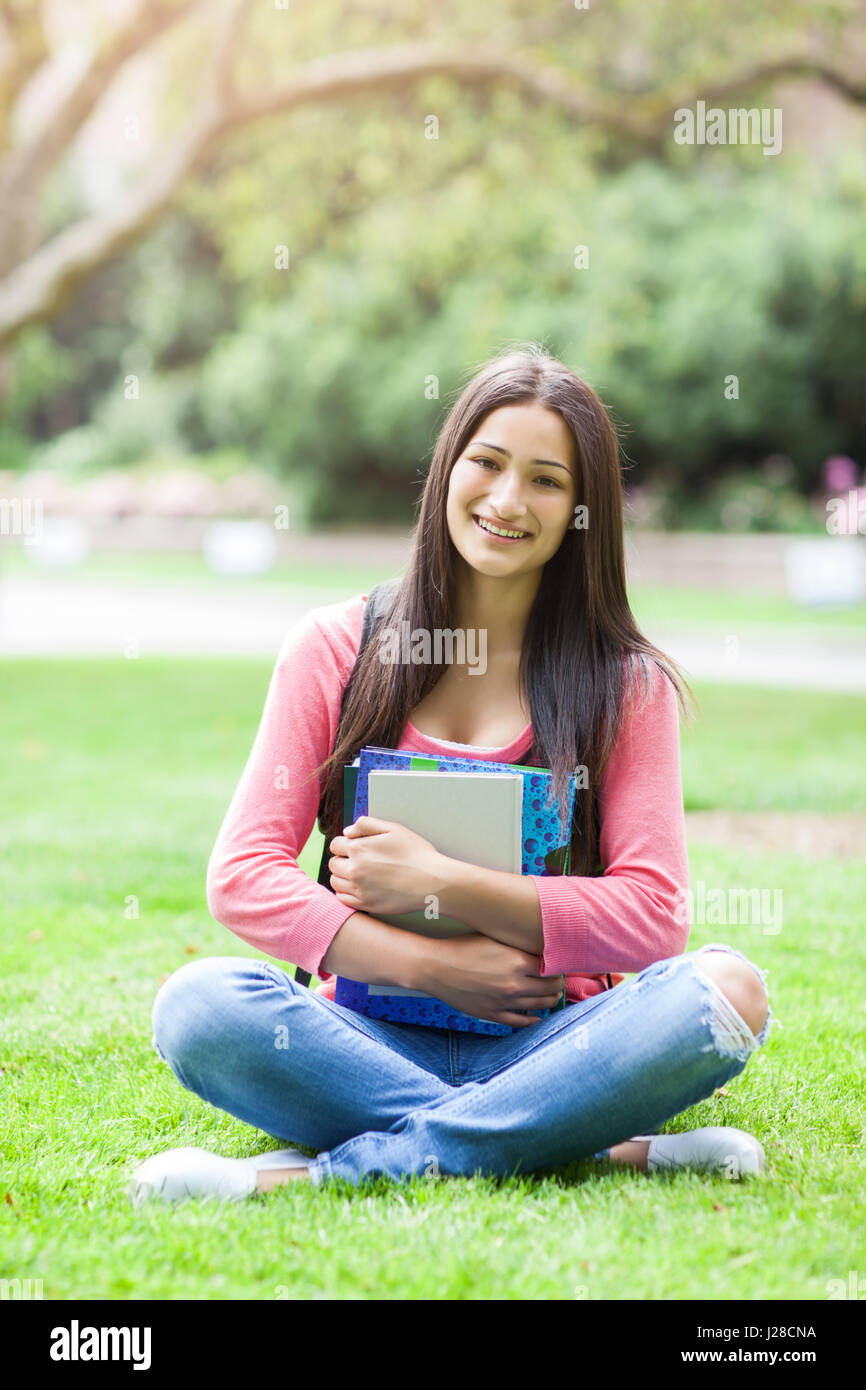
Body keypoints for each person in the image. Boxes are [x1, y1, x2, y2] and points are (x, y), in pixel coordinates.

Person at [130, 344, 775, 1205]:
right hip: (359, 1037)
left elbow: (655, 914)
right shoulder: (335, 648)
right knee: (198, 1005)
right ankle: (583, 1140)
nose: (509, 500)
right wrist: (428, 966)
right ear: (447, 470)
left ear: (585, 509)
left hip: (555, 1040)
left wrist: (447, 886)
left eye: (547, 481)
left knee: (727, 990)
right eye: (488, 463)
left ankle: (327, 1172)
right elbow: (243, 877)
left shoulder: (626, 684)